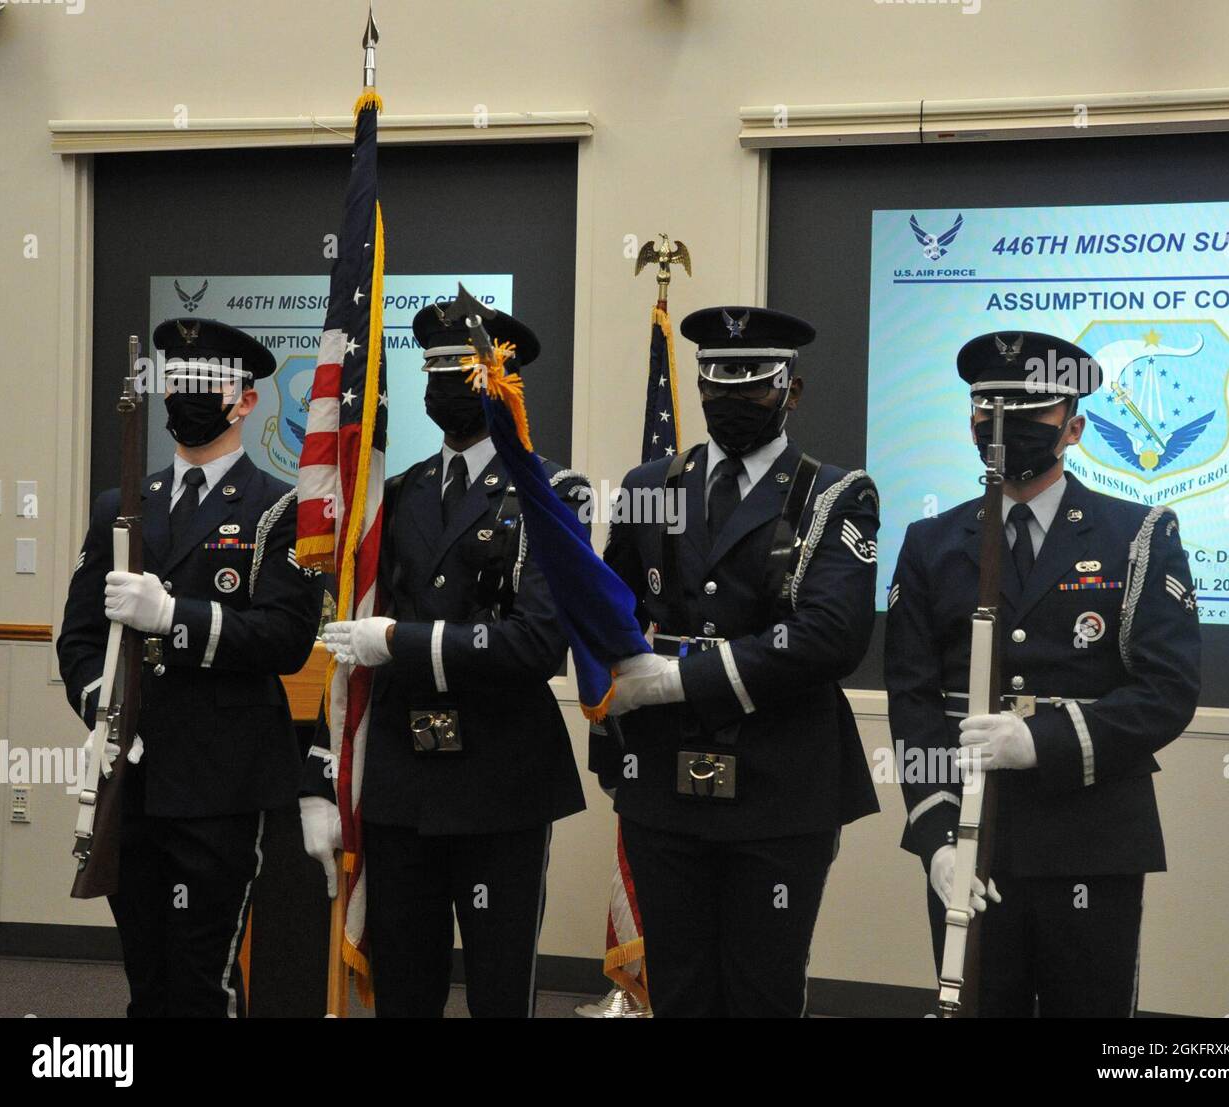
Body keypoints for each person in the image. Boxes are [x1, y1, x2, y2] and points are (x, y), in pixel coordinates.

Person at [886, 330, 1201, 1017]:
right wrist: (936, 836)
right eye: (986, 411)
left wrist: (1042, 740)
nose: (1003, 430)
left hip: (1091, 837)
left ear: (1075, 427)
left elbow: (1168, 691)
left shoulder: (1139, 535)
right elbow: (911, 700)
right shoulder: (932, 543)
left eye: (1027, 415)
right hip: (974, 838)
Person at [299, 305, 587, 1018]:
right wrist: (320, 768)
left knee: (498, 985)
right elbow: (347, 641)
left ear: (502, 376)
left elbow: (537, 641)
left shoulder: (553, 492)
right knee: (403, 985)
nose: (444, 390)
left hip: (500, 773)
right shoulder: (397, 496)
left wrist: (402, 641)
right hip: (402, 774)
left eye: (460, 372)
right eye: (432, 372)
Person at [594, 305, 880, 1017]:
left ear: (792, 390)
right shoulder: (649, 485)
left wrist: (677, 676)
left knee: (762, 990)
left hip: (779, 787)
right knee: (680, 989)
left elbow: (830, 636)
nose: (731, 402)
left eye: (753, 387)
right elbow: (611, 613)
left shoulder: (836, 495)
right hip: (664, 782)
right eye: (717, 387)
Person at [57, 318, 321, 1017]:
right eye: (177, 381)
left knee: (203, 982)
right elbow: (78, 640)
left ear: (246, 401)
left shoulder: (282, 508)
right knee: (146, 980)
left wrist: (174, 616)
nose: (186, 396)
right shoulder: (122, 506)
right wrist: (106, 712)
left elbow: (285, 637)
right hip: (135, 780)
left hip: (221, 782)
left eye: (206, 384)